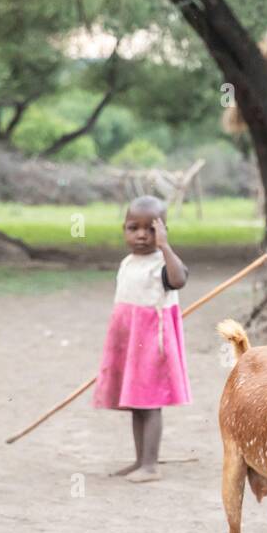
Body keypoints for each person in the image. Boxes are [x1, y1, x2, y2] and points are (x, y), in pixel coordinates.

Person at [93, 195, 191, 482]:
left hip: (152, 344)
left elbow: (179, 279)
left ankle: (150, 465)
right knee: (137, 403)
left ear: (163, 230)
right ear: (124, 229)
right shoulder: (128, 262)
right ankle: (140, 460)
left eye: (151, 229)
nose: (141, 235)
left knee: (149, 403)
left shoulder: (162, 263)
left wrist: (165, 246)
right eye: (133, 227)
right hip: (129, 341)